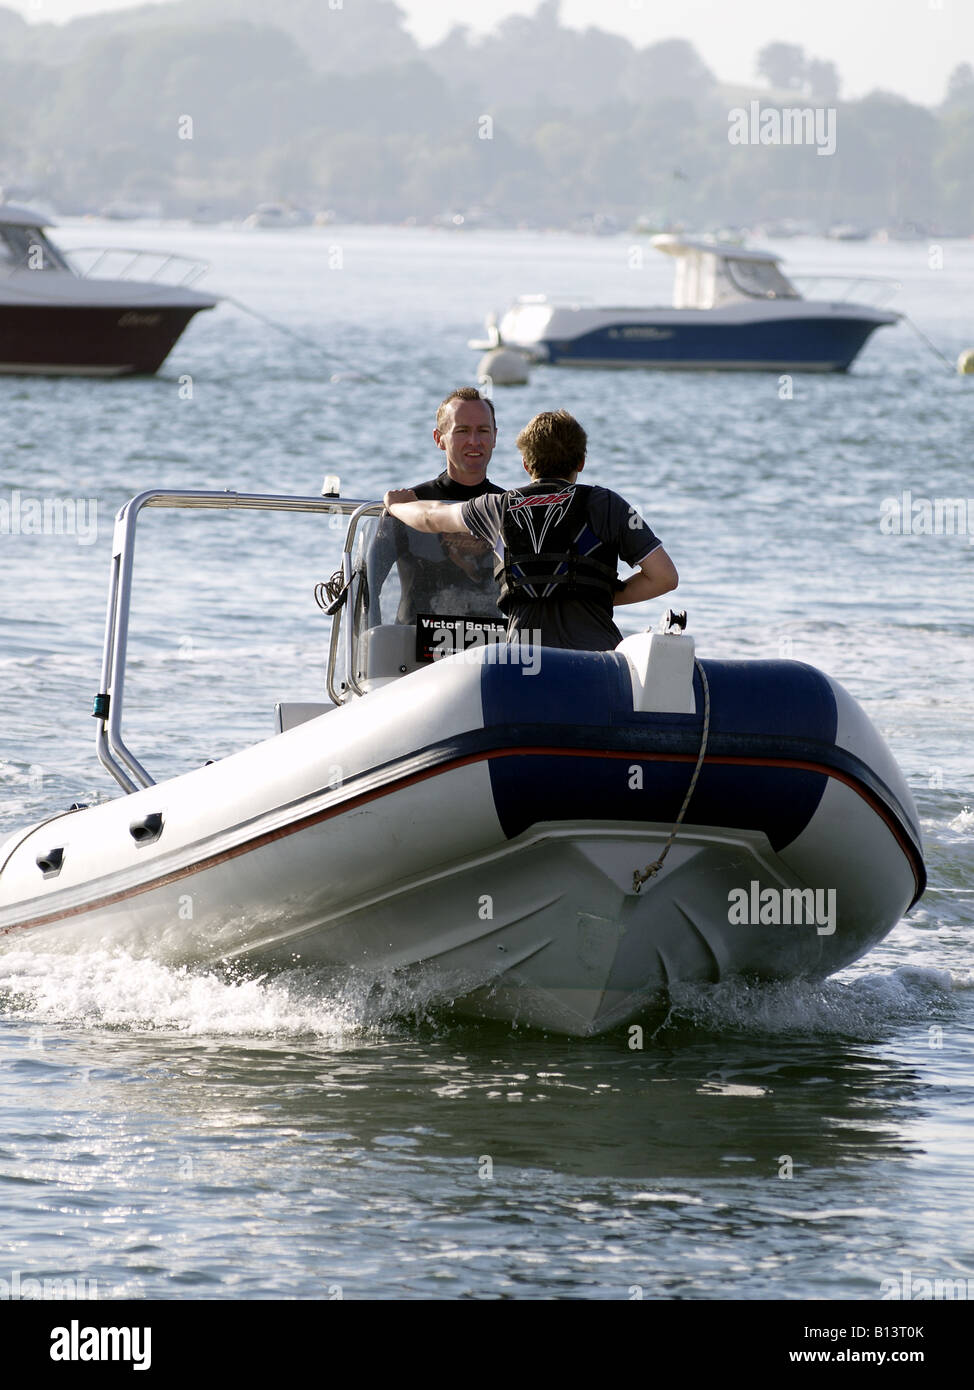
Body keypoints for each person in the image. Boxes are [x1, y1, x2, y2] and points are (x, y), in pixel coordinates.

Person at [383, 408, 678, 652]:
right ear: (582, 462)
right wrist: (594, 592)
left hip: (525, 657)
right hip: (597, 653)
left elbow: (431, 517)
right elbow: (665, 577)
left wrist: (396, 505)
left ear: (526, 464)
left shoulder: (496, 508)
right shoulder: (608, 504)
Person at [374, 388, 504, 623]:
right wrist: (369, 644)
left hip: (491, 650)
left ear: (494, 437)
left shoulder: (508, 507)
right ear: (439, 439)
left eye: (482, 431)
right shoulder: (408, 506)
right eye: (462, 431)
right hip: (412, 648)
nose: (474, 441)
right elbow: (368, 588)